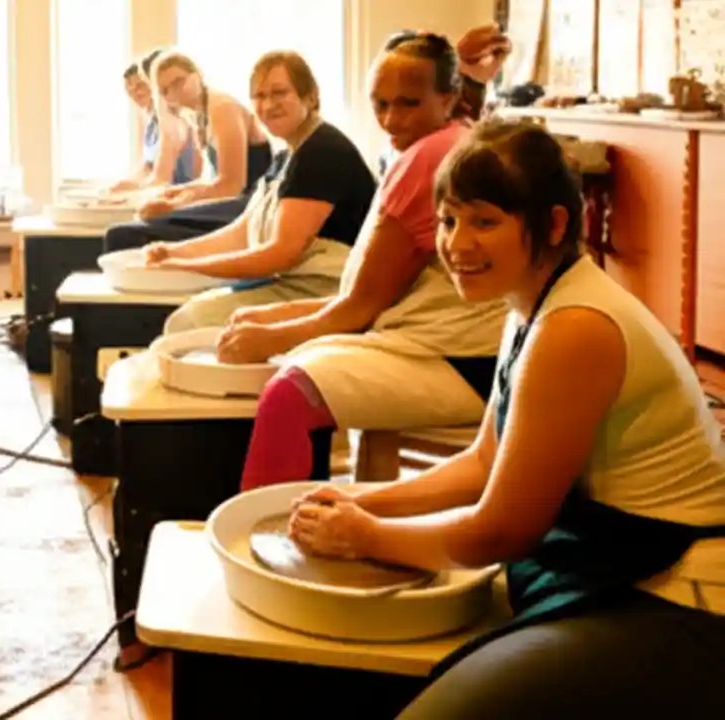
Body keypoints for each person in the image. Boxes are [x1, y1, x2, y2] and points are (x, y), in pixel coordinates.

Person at [290, 121, 725, 719]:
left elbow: (501, 534)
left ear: (553, 224)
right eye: (448, 220)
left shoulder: (576, 327)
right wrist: (367, 502)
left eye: (485, 221)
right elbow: (484, 461)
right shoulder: (528, 301)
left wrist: (364, 534)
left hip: (671, 591)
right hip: (609, 558)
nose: (457, 244)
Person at [219, 31, 508, 491]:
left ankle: (263, 538)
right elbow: (375, 298)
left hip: (465, 361)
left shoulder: (430, 156)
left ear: (449, 97)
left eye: (408, 103)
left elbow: (357, 309)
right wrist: (274, 317)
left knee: (289, 392)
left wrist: (271, 333)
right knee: (282, 345)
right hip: (459, 347)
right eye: (380, 104)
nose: (391, 119)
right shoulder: (448, 138)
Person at [147, 50, 376, 332]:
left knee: (188, 323)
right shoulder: (286, 155)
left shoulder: (322, 151)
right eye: (260, 95)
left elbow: (280, 254)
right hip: (294, 282)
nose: (268, 105)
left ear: (311, 96)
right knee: (188, 311)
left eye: (279, 93)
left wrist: (192, 267)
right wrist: (173, 253)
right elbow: (240, 233)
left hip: (327, 292)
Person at [102, 50, 279, 254]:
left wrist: (176, 204)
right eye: (165, 90)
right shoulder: (197, 116)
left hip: (251, 207)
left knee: (123, 235)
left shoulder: (222, 107)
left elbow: (231, 185)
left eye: (178, 82)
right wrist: (175, 192)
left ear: (197, 75)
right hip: (233, 203)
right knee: (130, 225)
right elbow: (211, 180)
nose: (174, 92)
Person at [110, 49, 201, 192]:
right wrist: (124, 185)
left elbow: (163, 178)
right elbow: (148, 167)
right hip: (164, 191)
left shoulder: (178, 121)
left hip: (179, 193)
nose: (136, 93)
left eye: (141, 85)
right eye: (130, 89)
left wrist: (135, 190)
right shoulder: (152, 124)